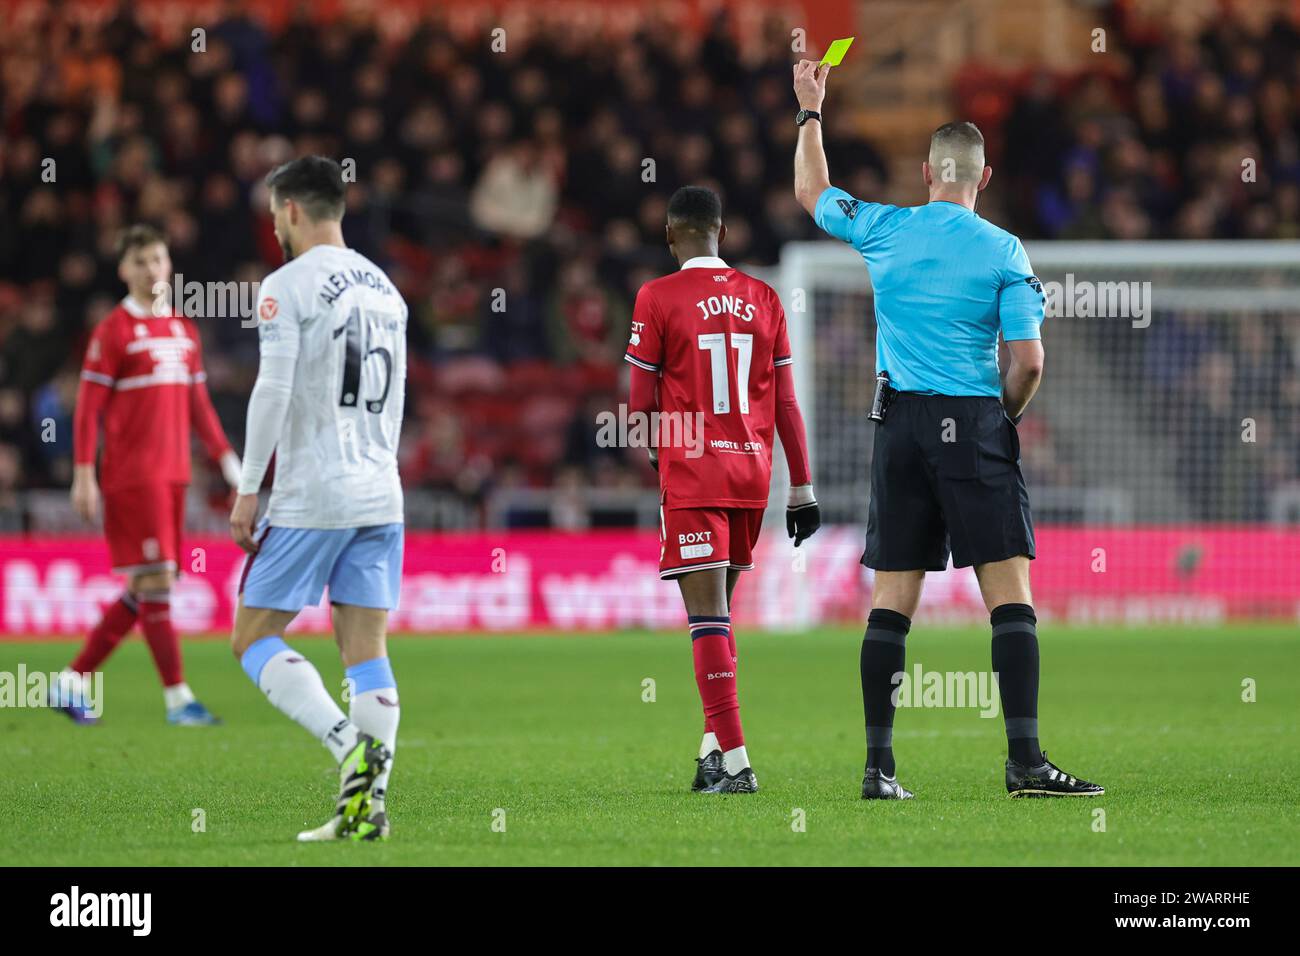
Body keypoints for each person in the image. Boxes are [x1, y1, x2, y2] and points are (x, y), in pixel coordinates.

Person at [791, 60, 1103, 799]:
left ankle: (877, 768)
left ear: (928, 171)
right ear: (983, 176)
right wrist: (1003, 419)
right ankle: (1025, 762)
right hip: (972, 417)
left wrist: (810, 110)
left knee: (891, 599)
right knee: (1009, 594)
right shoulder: (1003, 252)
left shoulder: (886, 227)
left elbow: (810, 193)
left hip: (897, 425)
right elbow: (1027, 364)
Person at [229, 156, 408, 841]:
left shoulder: (284, 286)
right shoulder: (387, 288)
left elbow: (272, 390)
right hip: (379, 489)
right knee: (364, 650)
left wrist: (250, 490)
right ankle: (366, 810)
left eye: (275, 213)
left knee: (252, 636)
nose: (274, 224)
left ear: (293, 210)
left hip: (314, 493)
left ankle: (346, 747)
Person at [625, 185, 820, 794]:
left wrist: (665, 460)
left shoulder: (656, 296)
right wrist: (803, 486)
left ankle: (738, 765)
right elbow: (785, 401)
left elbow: (638, 410)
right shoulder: (764, 297)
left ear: (669, 237)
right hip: (753, 477)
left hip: (695, 475)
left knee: (707, 620)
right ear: (723, 234)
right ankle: (711, 754)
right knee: (722, 620)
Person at [57, 224, 239, 726]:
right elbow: (87, 409)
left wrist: (226, 459)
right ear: (123, 270)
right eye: (140, 262)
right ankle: (178, 700)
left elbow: (198, 404)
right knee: (156, 580)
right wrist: (83, 473)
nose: (151, 270)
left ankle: (70, 681)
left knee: (148, 585)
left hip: (175, 474)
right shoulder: (113, 331)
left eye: (157, 259)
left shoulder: (183, 330)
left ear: (169, 266)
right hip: (133, 475)